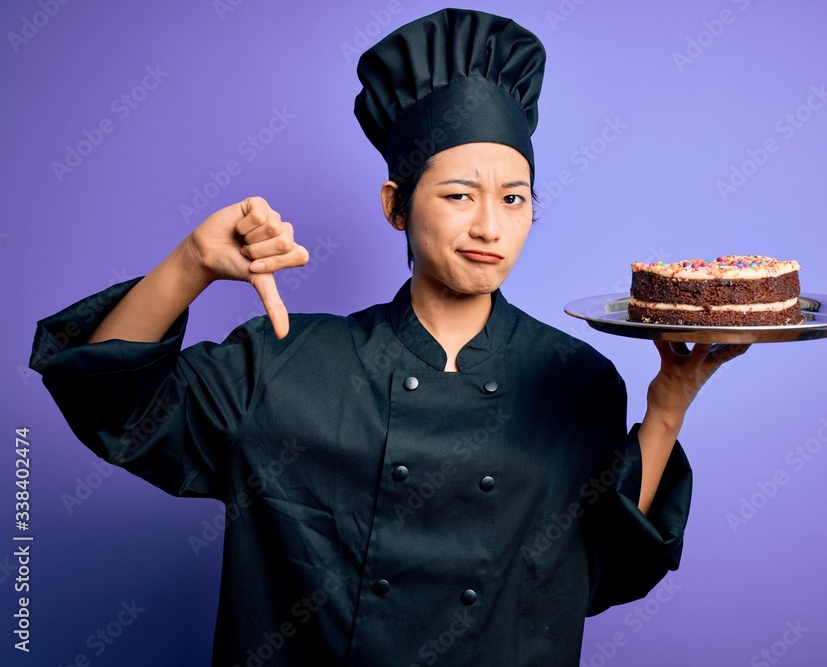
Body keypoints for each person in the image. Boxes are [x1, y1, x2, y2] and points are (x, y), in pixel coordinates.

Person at [30, 8, 748, 666]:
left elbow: (602, 567)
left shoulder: (576, 377)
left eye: (515, 197)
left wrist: (667, 406)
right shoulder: (282, 361)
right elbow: (115, 403)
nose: (490, 227)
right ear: (396, 207)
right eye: (459, 194)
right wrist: (189, 263)